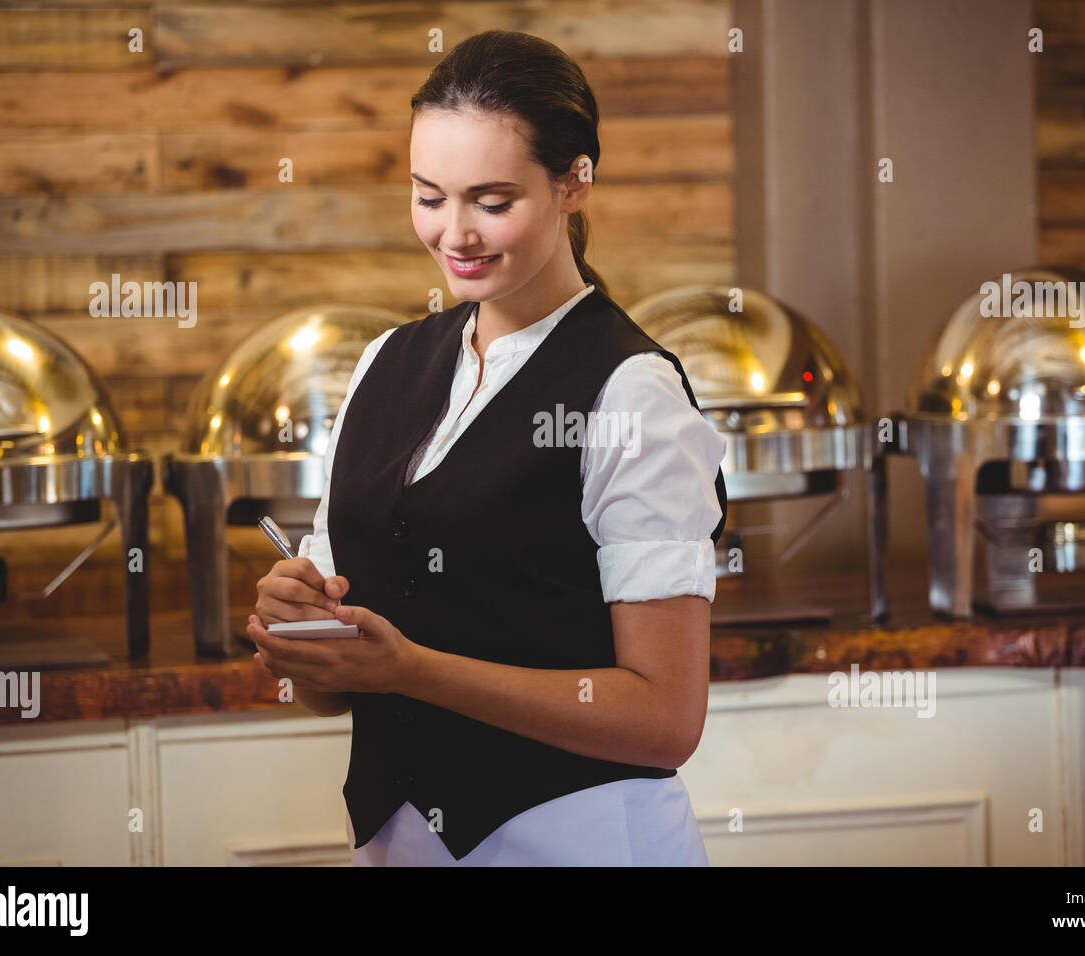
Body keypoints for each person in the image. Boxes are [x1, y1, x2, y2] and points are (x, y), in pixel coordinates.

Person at [249, 29, 727, 866]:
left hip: (581, 844)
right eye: (429, 196)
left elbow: (665, 722)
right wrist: (307, 637)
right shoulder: (383, 364)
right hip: (398, 847)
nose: (454, 233)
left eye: (492, 201)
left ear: (576, 180)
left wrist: (414, 671)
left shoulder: (631, 395)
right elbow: (332, 694)